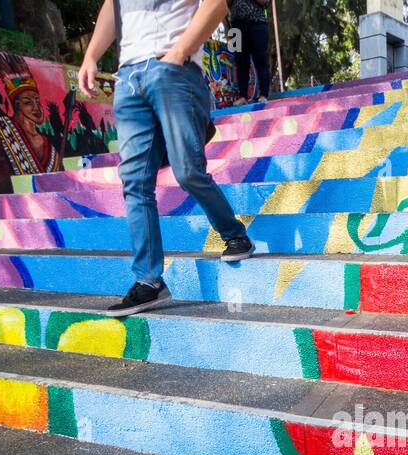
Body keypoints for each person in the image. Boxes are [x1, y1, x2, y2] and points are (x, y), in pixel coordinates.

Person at [79, 0, 255, 317]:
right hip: (128, 78)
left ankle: (234, 234)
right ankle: (148, 282)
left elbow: (216, 4)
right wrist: (91, 55)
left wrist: (179, 54)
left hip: (175, 69)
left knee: (187, 171)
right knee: (134, 182)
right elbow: (112, 6)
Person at [228, 0, 271, 104]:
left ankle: (264, 94)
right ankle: (242, 96)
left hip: (258, 23)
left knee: (261, 59)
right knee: (240, 60)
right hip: (236, 26)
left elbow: (265, 2)